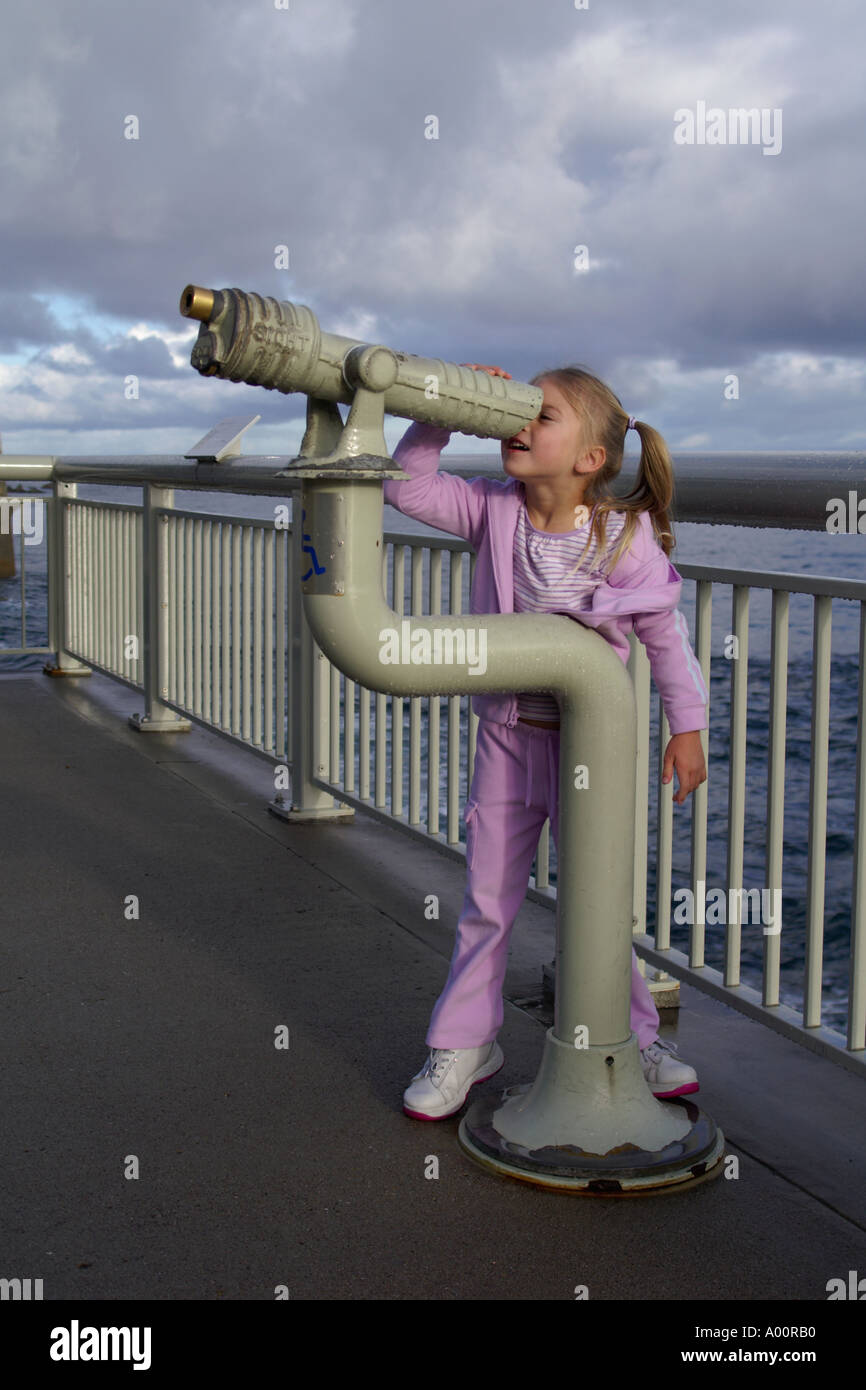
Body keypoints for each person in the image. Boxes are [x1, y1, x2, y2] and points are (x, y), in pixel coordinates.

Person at [383, 364, 708, 1120]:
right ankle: (466, 1043)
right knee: (488, 900)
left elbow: (667, 638)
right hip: (508, 740)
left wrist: (687, 728)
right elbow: (404, 484)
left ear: (590, 458)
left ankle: (630, 1037)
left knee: (595, 901)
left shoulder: (621, 537)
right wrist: (448, 412)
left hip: (592, 751)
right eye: (518, 412)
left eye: (542, 415)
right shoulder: (492, 511)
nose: (521, 425)